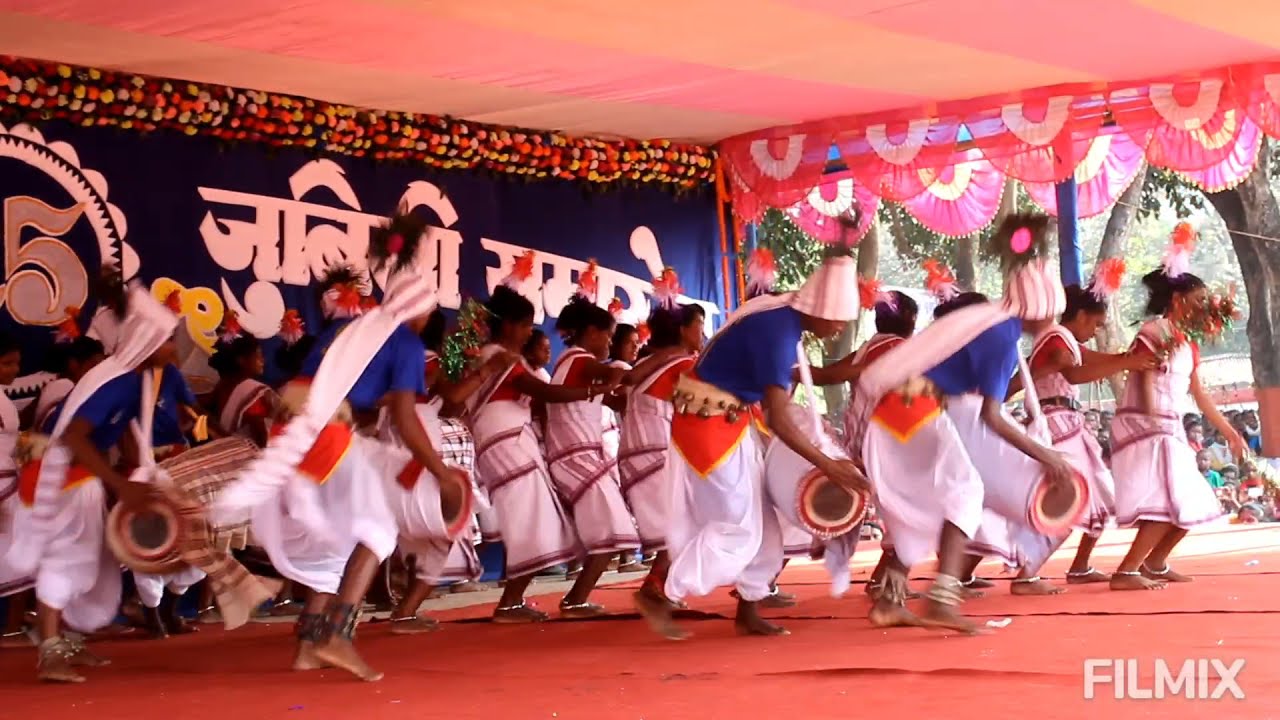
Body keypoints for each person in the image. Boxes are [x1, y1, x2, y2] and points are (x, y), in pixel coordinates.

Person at [214, 211, 468, 681]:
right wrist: (439, 471)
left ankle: (309, 645)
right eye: (430, 310)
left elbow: (325, 388)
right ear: (419, 309)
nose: (430, 317)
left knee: (338, 543)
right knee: (378, 533)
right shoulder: (406, 344)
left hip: (296, 434)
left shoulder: (347, 330)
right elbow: (408, 421)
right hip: (325, 438)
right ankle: (338, 635)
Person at [851, 214, 1077, 631]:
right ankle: (942, 599)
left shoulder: (993, 322)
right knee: (964, 494)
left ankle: (888, 604)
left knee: (927, 504)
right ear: (1040, 307)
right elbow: (992, 415)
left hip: (902, 409)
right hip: (913, 409)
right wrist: (1047, 455)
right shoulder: (1001, 335)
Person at [633, 243, 868, 641]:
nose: (841, 328)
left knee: (765, 528)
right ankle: (662, 592)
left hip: (728, 423)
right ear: (823, 309)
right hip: (709, 428)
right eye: (841, 320)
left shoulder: (780, 316)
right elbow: (777, 415)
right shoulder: (777, 331)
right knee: (736, 529)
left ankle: (749, 609)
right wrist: (830, 466)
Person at [4, 278, 179, 682]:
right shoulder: (117, 381)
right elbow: (73, 436)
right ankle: (49, 650)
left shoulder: (133, 382)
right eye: (170, 340)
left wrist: (145, 479)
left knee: (87, 561)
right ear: (149, 343)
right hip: (58, 479)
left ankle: (62, 640)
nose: (175, 348)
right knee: (66, 561)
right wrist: (120, 486)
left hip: (76, 479)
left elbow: (126, 437)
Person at [467, 266, 620, 623]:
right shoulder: (498, 357)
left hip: (511, 441)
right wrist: (592, 391)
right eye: (524, 326)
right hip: (505, 443)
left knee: (533, 519)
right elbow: (544, 392)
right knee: (530, 519)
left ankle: (513, 601)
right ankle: (509, 604)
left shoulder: (500, 357)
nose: (528, 333)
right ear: (507, 326)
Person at [1109, 223, 1246, 591]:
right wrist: (1155, 422)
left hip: (1169, 427)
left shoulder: (1189, 344)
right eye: (1198, 301)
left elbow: (1199, 395)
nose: (1204, 308)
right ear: (1177, 301)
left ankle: (1154, 562)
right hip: (1146, 427)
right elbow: (1140, 378)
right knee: (1166, 502)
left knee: (1194, 501)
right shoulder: (1153, 333)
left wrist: (1230, 431)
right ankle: (1126, 571)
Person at [1006, 272, 1158, 586]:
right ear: (1082, 314)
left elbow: (1092, 359)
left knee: (1103, 497)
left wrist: (1129, 358)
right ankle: (1026, 575)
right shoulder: (1056, 335)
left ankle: (1080, 567)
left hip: (1071, 425)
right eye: (1096, 324)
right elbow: (1076, 375)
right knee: (1070, 500)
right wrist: (1126, 363)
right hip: (1058, 424)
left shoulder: (1066, 340)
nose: (1096, 331)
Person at [620, 300, 704, 608]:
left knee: (682, 517)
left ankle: (659, 584)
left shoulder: (658, 361)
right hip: (654, 448)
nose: (702, 333)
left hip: (638, 448)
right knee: (684, 518)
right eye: (699, 326)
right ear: (683, 331)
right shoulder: (681, 365)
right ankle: (655, 585)